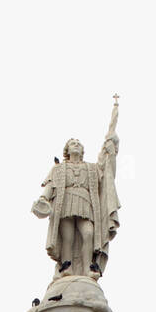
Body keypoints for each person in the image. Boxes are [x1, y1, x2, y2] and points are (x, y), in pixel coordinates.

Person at [33, 99, 120, 279]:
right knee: (68, 236)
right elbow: (51, 185)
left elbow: (105, 169)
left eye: (79, 143)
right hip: (66, 203)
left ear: (82, 150)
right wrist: (43, 198)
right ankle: (67, 268)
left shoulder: (91, 168)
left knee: (88, 233)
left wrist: (110, 147)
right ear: (67, 150)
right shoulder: (59, 169)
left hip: (86, 203)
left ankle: (89, 267)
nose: (77, 144)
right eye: (73, 143)